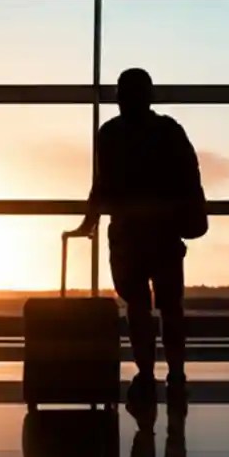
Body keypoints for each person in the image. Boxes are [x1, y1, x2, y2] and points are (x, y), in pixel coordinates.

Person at [66, 67, 204, 408]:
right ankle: (174, 375)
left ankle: (148, 374)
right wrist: (192, 217)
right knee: (167, 308)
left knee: (141, 309)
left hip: (130, 235)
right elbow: (190, 176)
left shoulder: (111, 134)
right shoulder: (167, 131)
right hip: (160, 233)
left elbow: (102, 184)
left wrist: (90, 221)